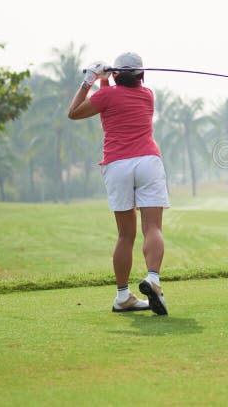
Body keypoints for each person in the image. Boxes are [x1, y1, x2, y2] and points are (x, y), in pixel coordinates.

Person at [68, 52, 169, 315]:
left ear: (116, 74)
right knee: (152, 227)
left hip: (117, 166)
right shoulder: (148, 95)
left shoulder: (106, 96)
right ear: (140, 74)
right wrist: (106, 79)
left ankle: (123, 296)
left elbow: (74, 113)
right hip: (148, 162)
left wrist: (90, 80)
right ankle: (153, 280)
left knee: (126, 235)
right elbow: (113, 97)